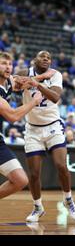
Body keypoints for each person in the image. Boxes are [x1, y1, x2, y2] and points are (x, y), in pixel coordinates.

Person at [17, 50, 75, 222]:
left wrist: (35, 84)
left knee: (61, 166)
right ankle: (38, 207)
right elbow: (14, 84)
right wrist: (32, 80)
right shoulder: (25, 73)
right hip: (32, 128)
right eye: (42, 56)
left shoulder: (56, 75)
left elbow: (55, 97)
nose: (46, 58)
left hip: (53, 126)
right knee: (34, 173)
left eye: (49, 57)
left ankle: (68, 199)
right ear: (34, 60)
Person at [0, 52, 42, 200]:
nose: (8, 67)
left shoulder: (9, 81)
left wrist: (36, 79)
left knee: (20, 180)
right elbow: (12, 116)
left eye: (10, 64)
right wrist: (34, 102)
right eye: (4, 63)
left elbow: (20, 81)